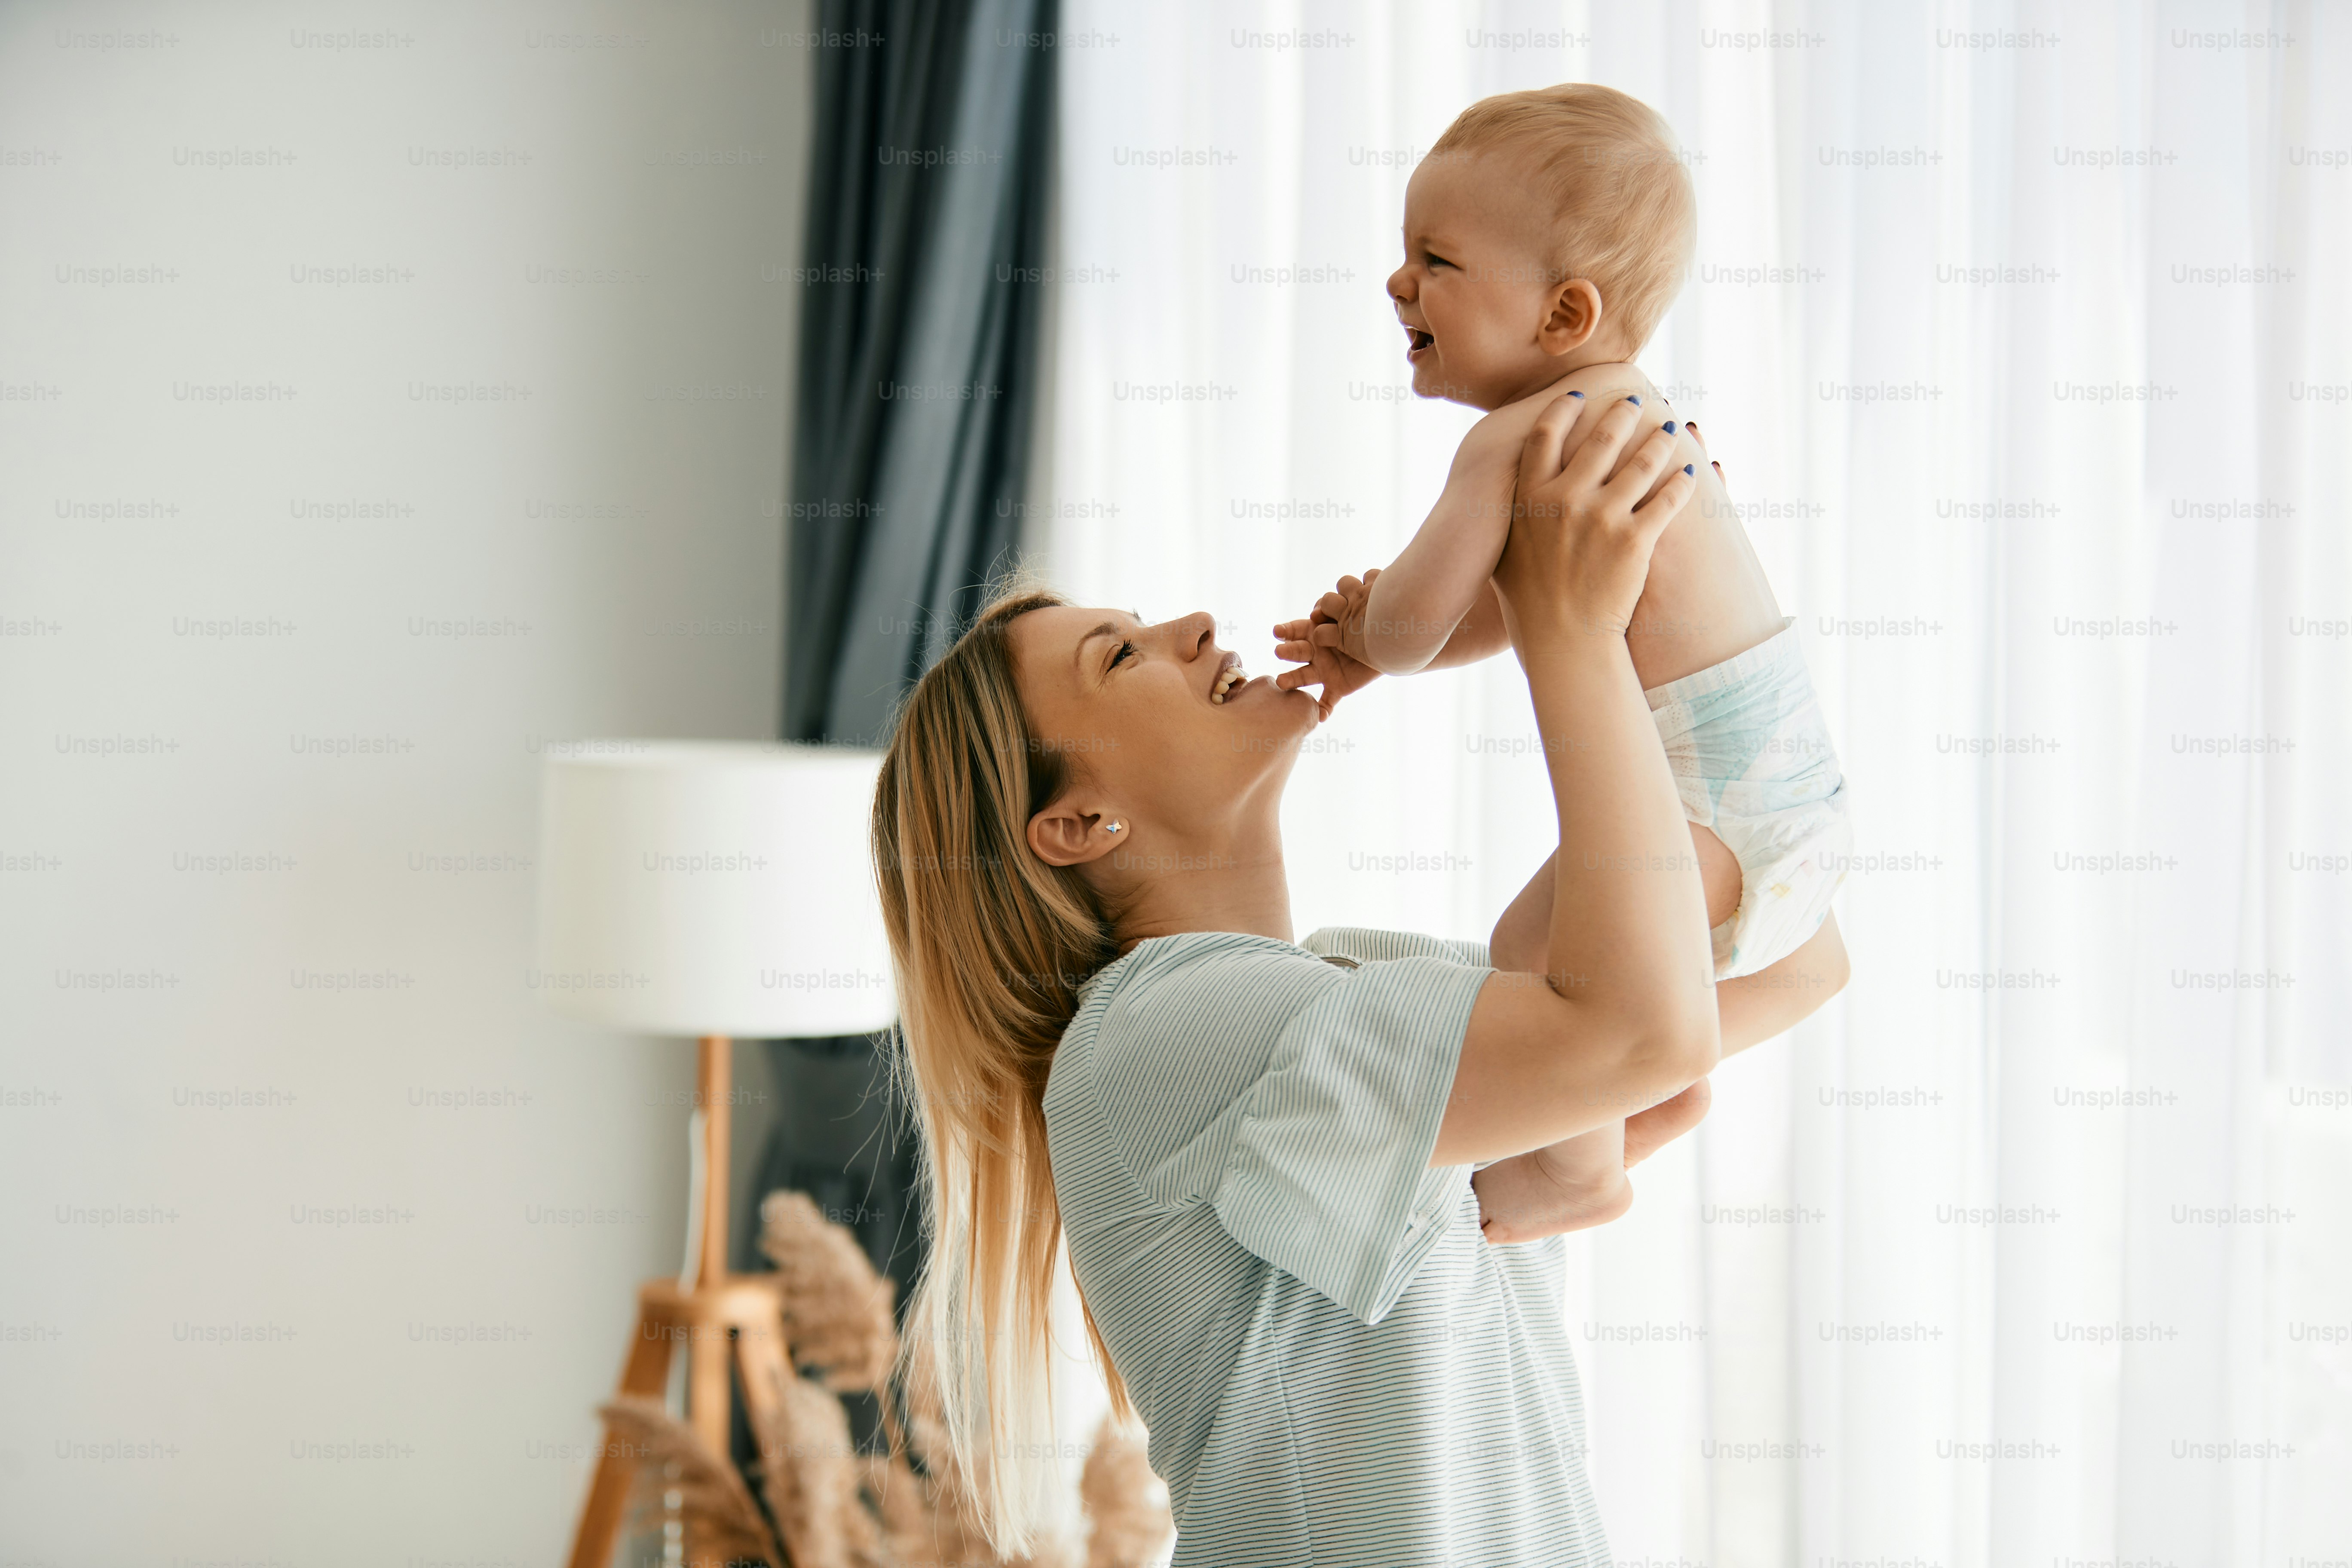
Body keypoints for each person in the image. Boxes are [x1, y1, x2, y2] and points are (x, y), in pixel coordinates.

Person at [870, 392, 1849, 1564]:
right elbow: (1651, 1039)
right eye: (1120, 654)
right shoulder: (1151, 1038)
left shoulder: (1362, 984)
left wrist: (1677, 598)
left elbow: (1794, 963)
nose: (1190, 625)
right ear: (1078, 822)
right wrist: (1570, 632)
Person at [1280, 82, 1851, 1243]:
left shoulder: (1511, 441)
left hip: (1710, 814)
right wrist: (1396, 634)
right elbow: (1525, 613)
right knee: (1598, 972)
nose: (1400, 284)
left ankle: (1574, 1168)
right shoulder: (1644, 424)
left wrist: (1367, 632)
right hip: (1790, 798)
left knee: (1533, 962)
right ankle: (1645, 1087)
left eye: (1435, 259)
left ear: (1563, 314)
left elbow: (1414, 626)